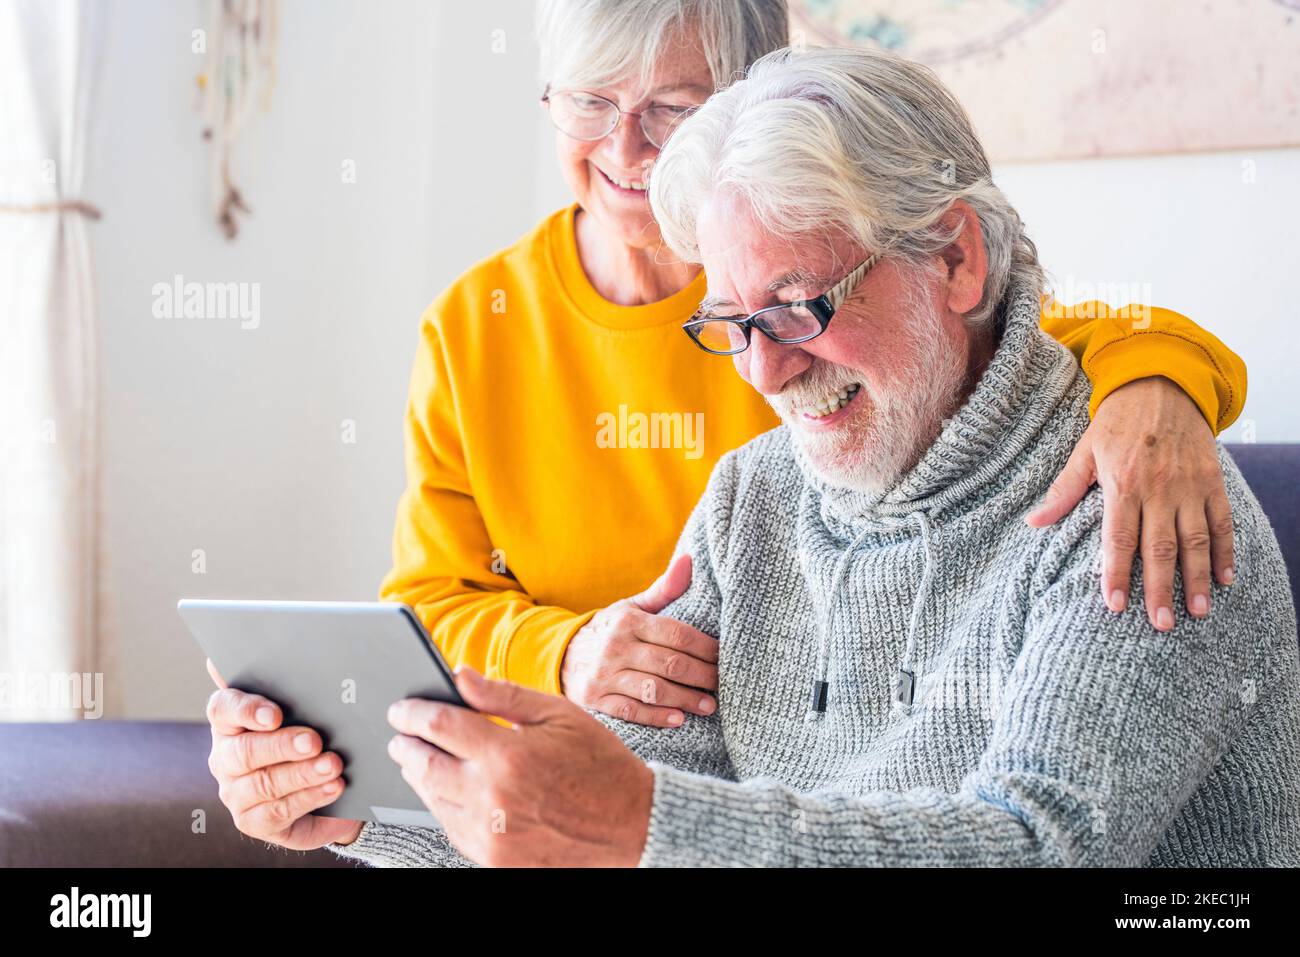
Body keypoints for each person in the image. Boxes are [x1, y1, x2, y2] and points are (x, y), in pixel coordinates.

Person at [203, 0, 1248, 856]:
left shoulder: (1138, 501)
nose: (767, 372)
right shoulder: (758, 490)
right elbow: (599, 796)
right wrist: (358, 809)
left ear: (955, 260)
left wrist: (643, 825)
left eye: (798, 307)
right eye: (731, 325)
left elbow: (1037, 848)